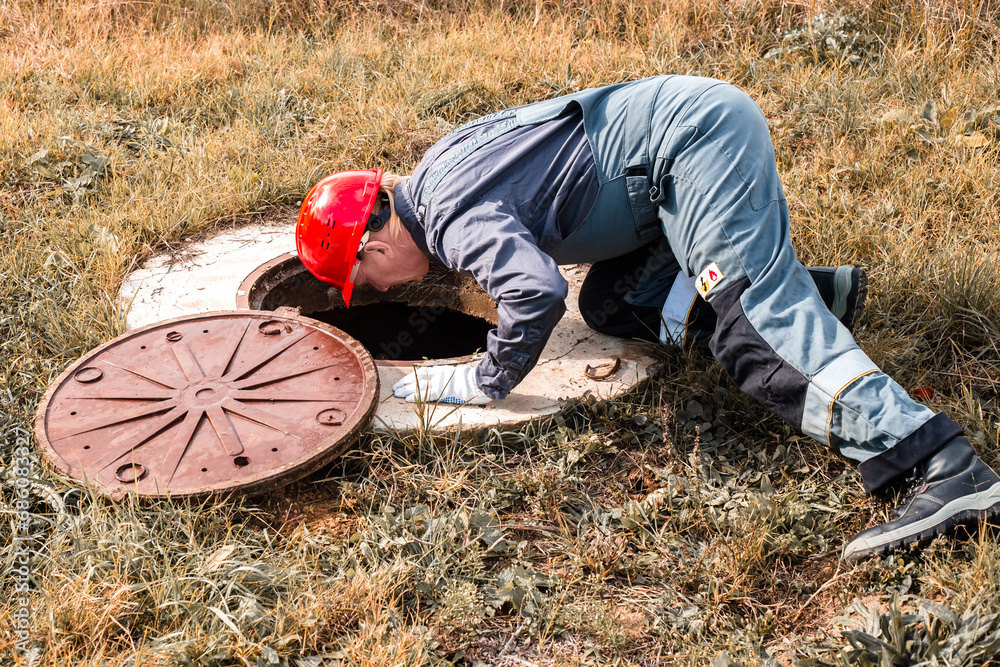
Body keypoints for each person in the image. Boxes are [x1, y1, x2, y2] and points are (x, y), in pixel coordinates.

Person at [295, 75, 1000, 561]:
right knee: (610, 304)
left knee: (751, 333)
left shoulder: (446, 218)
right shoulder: (437, 169)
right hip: (677, 148)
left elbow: (536, 291)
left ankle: (936, 460)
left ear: (375, 243)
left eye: (362, 279)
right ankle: (820, 298)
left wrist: (489, 378)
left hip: (692, 149)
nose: (378, 289)